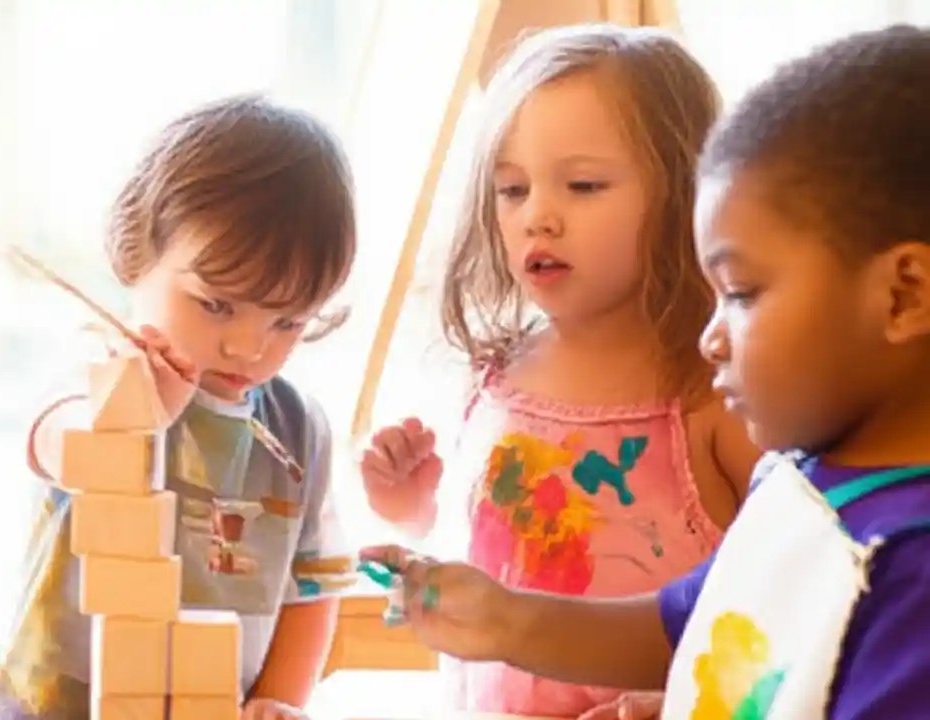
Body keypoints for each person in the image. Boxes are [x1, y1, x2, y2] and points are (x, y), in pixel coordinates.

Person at [364, 23, 930, 720]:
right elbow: (679, 622)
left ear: (904, 295)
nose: (714, 337)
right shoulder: (799, 489)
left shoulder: (910, 570)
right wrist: (503, 620)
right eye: (512, 188)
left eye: (744, 294)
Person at [358, 24, 760, 718]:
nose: (538, 216)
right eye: (512, 190)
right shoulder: (492, 377)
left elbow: (790, 598)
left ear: (687, 191)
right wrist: (412, 506)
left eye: (582, 184)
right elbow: (488, 563)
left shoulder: (713, 396)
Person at [0, 95, 357, 720]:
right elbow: (56, 442)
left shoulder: (298, 428)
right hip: (54, 707)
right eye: (216, 305)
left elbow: (312, 586)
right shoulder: (103, 370)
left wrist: (278, 699)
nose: (248, 347)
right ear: (137, 255)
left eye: (288, 321)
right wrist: (132, 416)